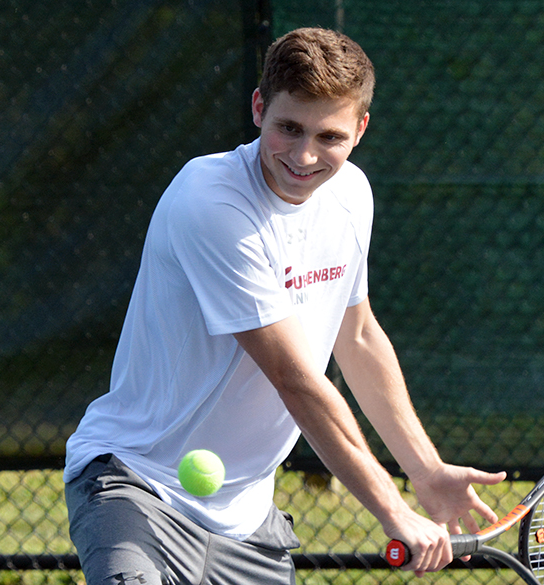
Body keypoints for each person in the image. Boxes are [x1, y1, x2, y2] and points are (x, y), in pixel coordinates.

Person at [63, 27, 506, 584]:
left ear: (360, 129)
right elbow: (294, 378)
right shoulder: (212, 201)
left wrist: (425, 469)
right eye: (289, 128)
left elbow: (359, 336)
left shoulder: (351, 196)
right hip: (139, 486)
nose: (304, 155)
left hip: (248, 518)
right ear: (258, 108)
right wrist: (393, 512)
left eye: (329, 136)